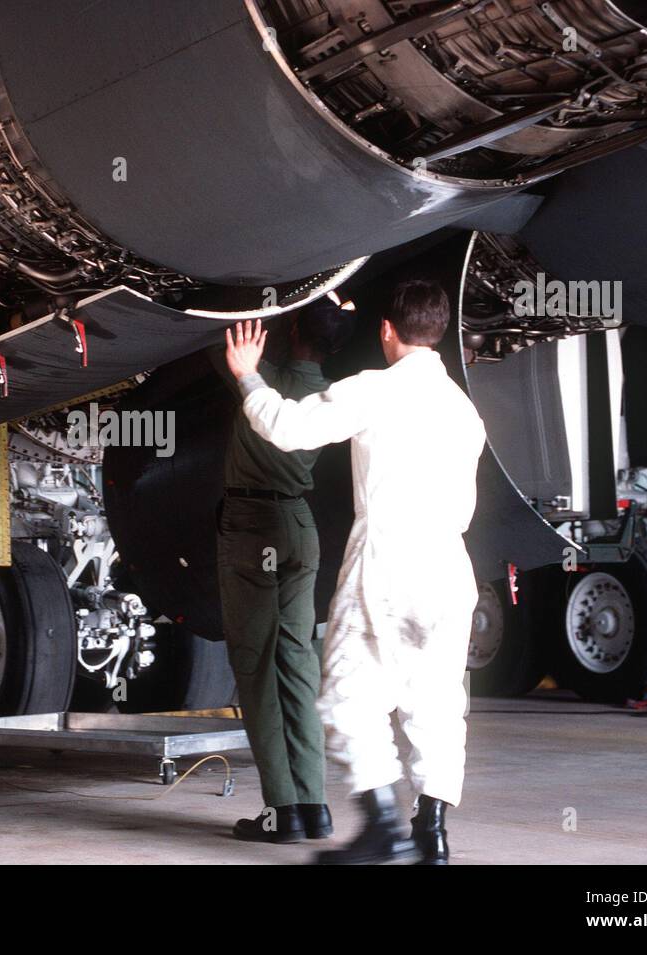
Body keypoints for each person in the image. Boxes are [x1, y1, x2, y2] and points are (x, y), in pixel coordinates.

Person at [224, 279, 486, 865]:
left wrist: (248, 374)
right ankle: (432, 835)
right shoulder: (464, 410)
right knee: (437, 704)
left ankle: (381, 828)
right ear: (438, 332)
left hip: (389, 560)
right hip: (449, 566)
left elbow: (288, 429)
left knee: (347, 697)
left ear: (387, 331)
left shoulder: (378, 389)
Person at [215, 301, 355, 844]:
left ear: (292, 329)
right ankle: (314, 806)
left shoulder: (263, 380)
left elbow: (215, 339)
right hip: (301, 525)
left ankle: (282, 812)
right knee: (298, 665)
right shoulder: (328, 395)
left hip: (254, 525)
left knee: (256, 667)